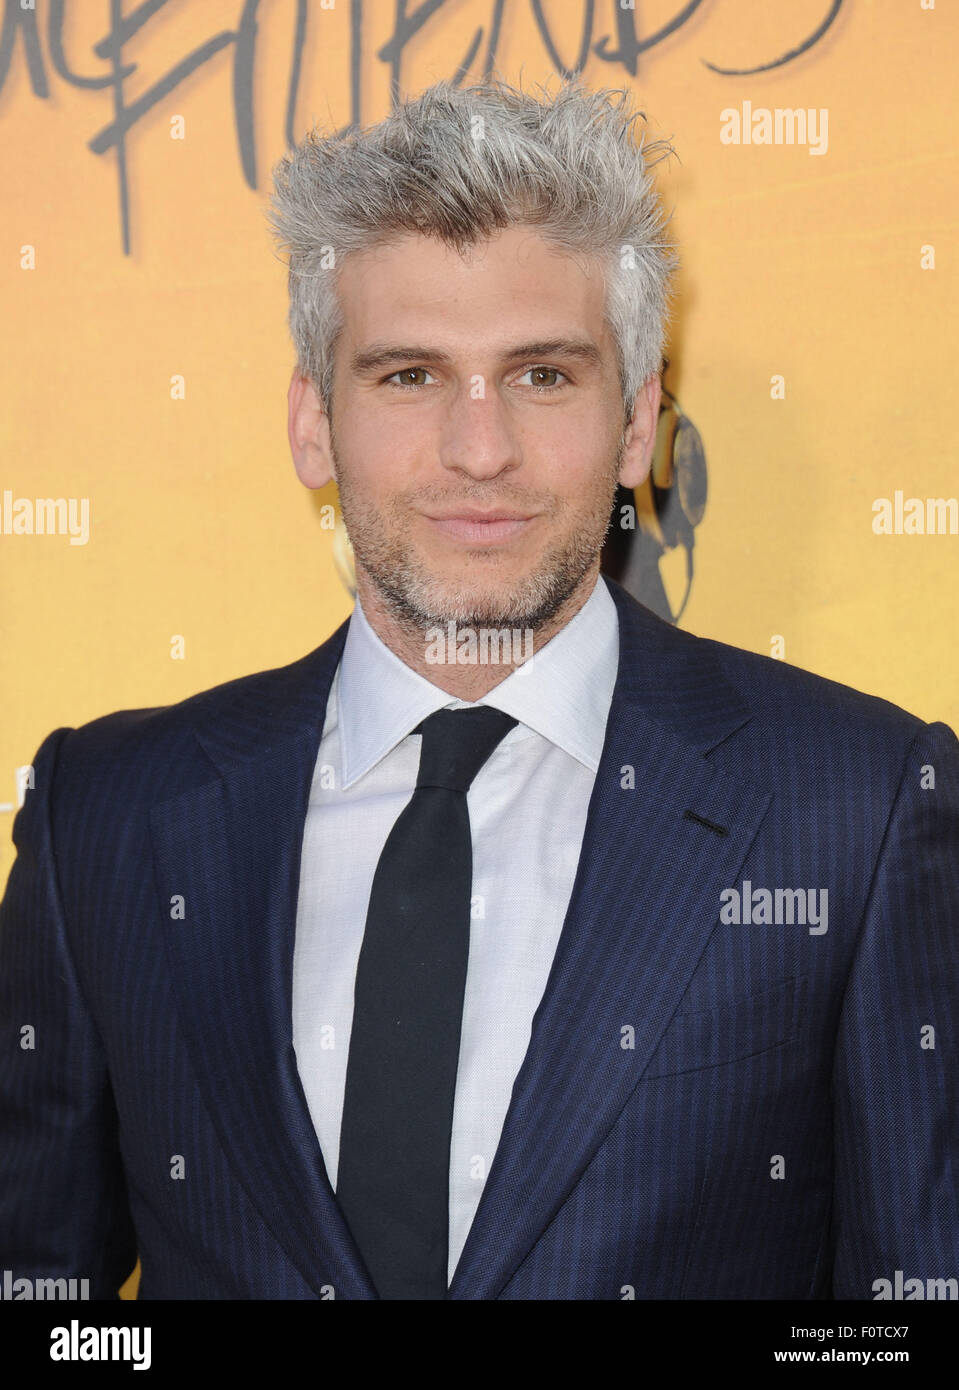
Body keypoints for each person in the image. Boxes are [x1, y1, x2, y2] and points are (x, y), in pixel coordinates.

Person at [1, 77, 956, 1302]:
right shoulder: (109, 819)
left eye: (542, 376)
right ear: (312, 423)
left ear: (635, 424)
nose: (479, 449)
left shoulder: (852, 810)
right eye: (406, 376)